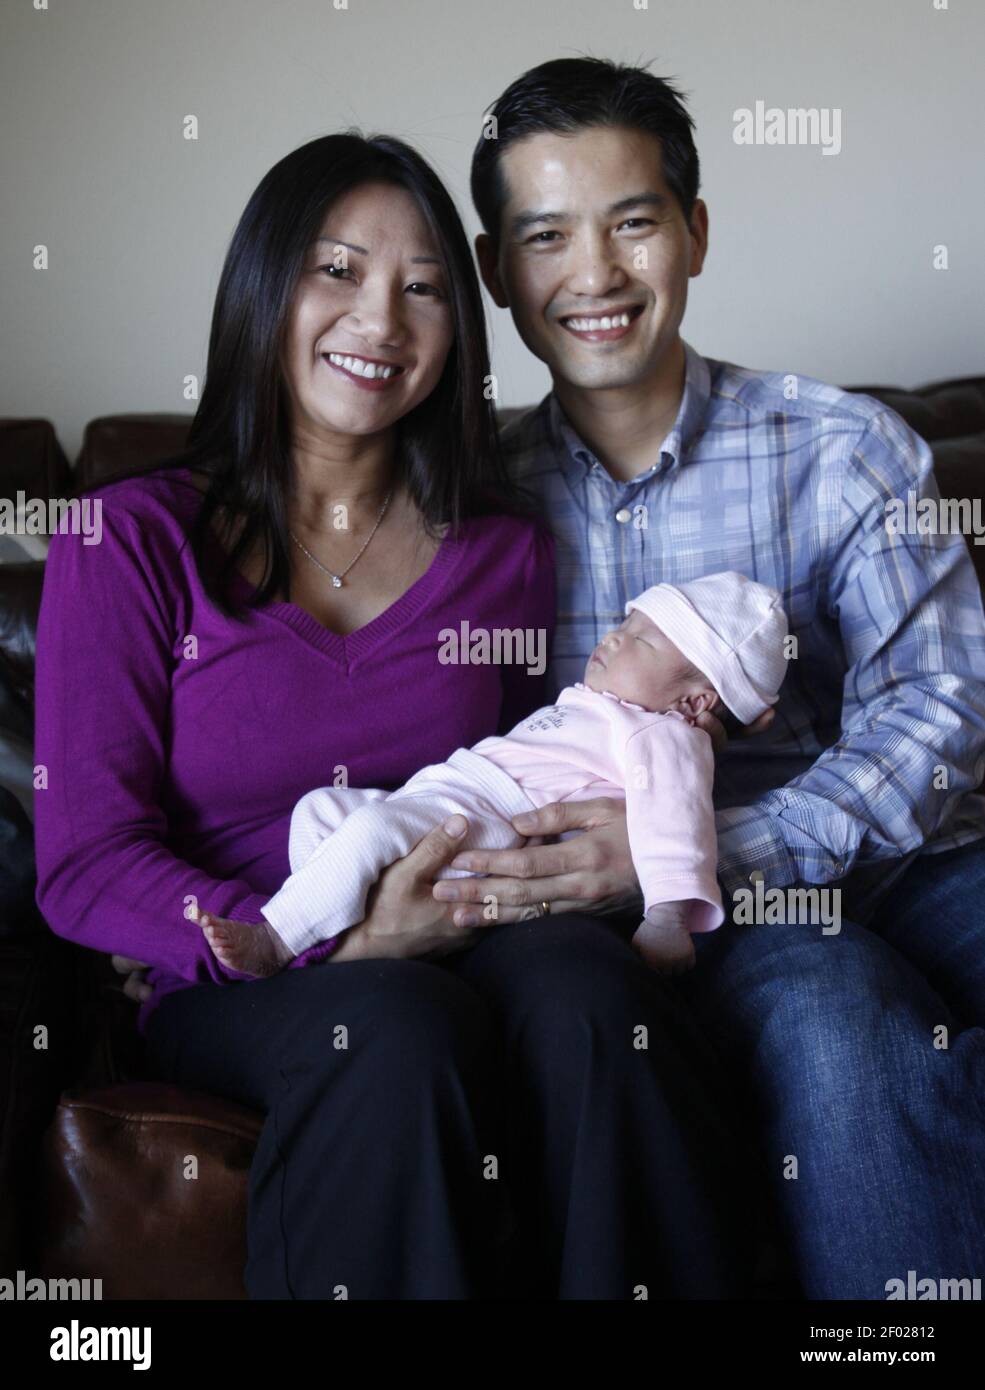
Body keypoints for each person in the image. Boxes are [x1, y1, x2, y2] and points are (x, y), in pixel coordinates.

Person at [34, 131, 751, 1299]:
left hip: (482, 924)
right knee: (386, 1027)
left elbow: (544, 759)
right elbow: (83, 860)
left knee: (590, 999)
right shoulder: (125, 538)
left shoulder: (502, 550)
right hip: (258, 974)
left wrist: (634, 847)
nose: (380, 319)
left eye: (422, 287)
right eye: (336, 271)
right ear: (263, 285)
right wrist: (318, 934)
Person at [407, 56, 985, 1299]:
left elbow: (937, 713)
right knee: (842, 1039)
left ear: (695, 232)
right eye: (546, 237)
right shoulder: (471, 507)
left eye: (633, 222)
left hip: (919, 859)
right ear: (500, 272)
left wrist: (731, 841)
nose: (596, 275)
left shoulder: (840, 447)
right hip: (715, 921)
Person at [197, 570, 789, 978]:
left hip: (491, 820)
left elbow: (675, 821)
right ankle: (331, 918)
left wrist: (667, 916)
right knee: (320, 811)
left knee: (371, 836)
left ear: (694, 703)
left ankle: (277, 938)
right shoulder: (609, 706)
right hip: (452, 790)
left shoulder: (667, 737)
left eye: (644, 640)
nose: (614, 636)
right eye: (627, 621)